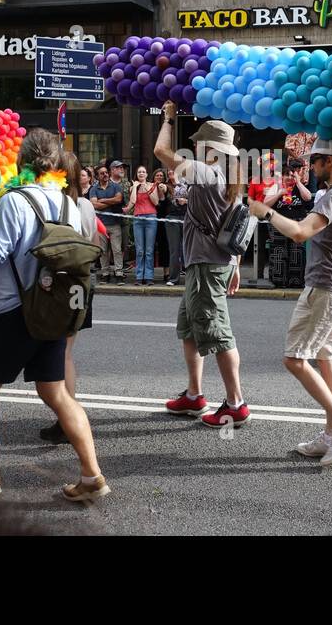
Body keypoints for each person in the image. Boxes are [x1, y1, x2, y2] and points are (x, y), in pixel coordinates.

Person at [0, 130, 109, 502]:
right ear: (55, 164)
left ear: (23, 162)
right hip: (52, 311)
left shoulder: (14, 202)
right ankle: (91, 475)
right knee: (57, 393)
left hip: (12, 311)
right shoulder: (71, 204)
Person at [249, 139, 332, 466]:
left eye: (314, 161)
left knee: (294, 359)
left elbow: (301, 232)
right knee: (327, 357)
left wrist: (266, 211)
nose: (310, 167)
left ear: (329, 162)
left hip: (325, 287)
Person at [155, 100, 250, 429]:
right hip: (212, 263)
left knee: (219, 334)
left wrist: (168, 119)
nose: (193, 144)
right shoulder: (230, 177)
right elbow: (235, 227)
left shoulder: (207, 173)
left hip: (207, 266)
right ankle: (195, 396)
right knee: (191, 328)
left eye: (198, 141)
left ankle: (235, 403)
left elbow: (160, 152)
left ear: (210, 148)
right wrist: (235, 265)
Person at [39, 153, 102, 446]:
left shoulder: (53, 204)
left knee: (57, 353)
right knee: (65, 352)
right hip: (82, 283)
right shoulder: (86, 205)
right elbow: (95, 244)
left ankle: (67, 418)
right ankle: (66, 416)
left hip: (58, 284)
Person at [88, 164, 124, 284]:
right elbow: (94, 204)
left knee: (117, 249)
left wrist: (102, 200)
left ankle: (119, 272)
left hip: (114, 223)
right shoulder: (94, 188)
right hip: (101, 224)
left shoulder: (116, 186)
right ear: (97, 176)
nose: (105, 175)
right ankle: (105, 273)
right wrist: (111, 202)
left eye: (106, 173)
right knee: (103, 250)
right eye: (102, 173)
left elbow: (118, 199)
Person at [128, 165, 161, 286]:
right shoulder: (133, 187)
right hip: (138, 218)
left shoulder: (152, 186)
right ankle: (139, 276)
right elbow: (133, 201)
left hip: (151, 218)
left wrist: (147, 189)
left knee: (149, 250)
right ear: (137, 175)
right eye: (139, 172)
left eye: (143, 172)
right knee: (140, 250)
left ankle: (148, 276)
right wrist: (136, 187)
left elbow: (156, 202)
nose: (141, 174)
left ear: (147, 174)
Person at [164, 172, 188, 287]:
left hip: (187, 217)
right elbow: (162, 199)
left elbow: (196, 199)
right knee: (174, 250)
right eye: (169, 171)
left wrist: (186, 201)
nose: (171, 172)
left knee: (188, 248)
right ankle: (173, 278)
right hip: (171, 218)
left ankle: (190, 278)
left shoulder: (188, 184)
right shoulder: (166, 186)